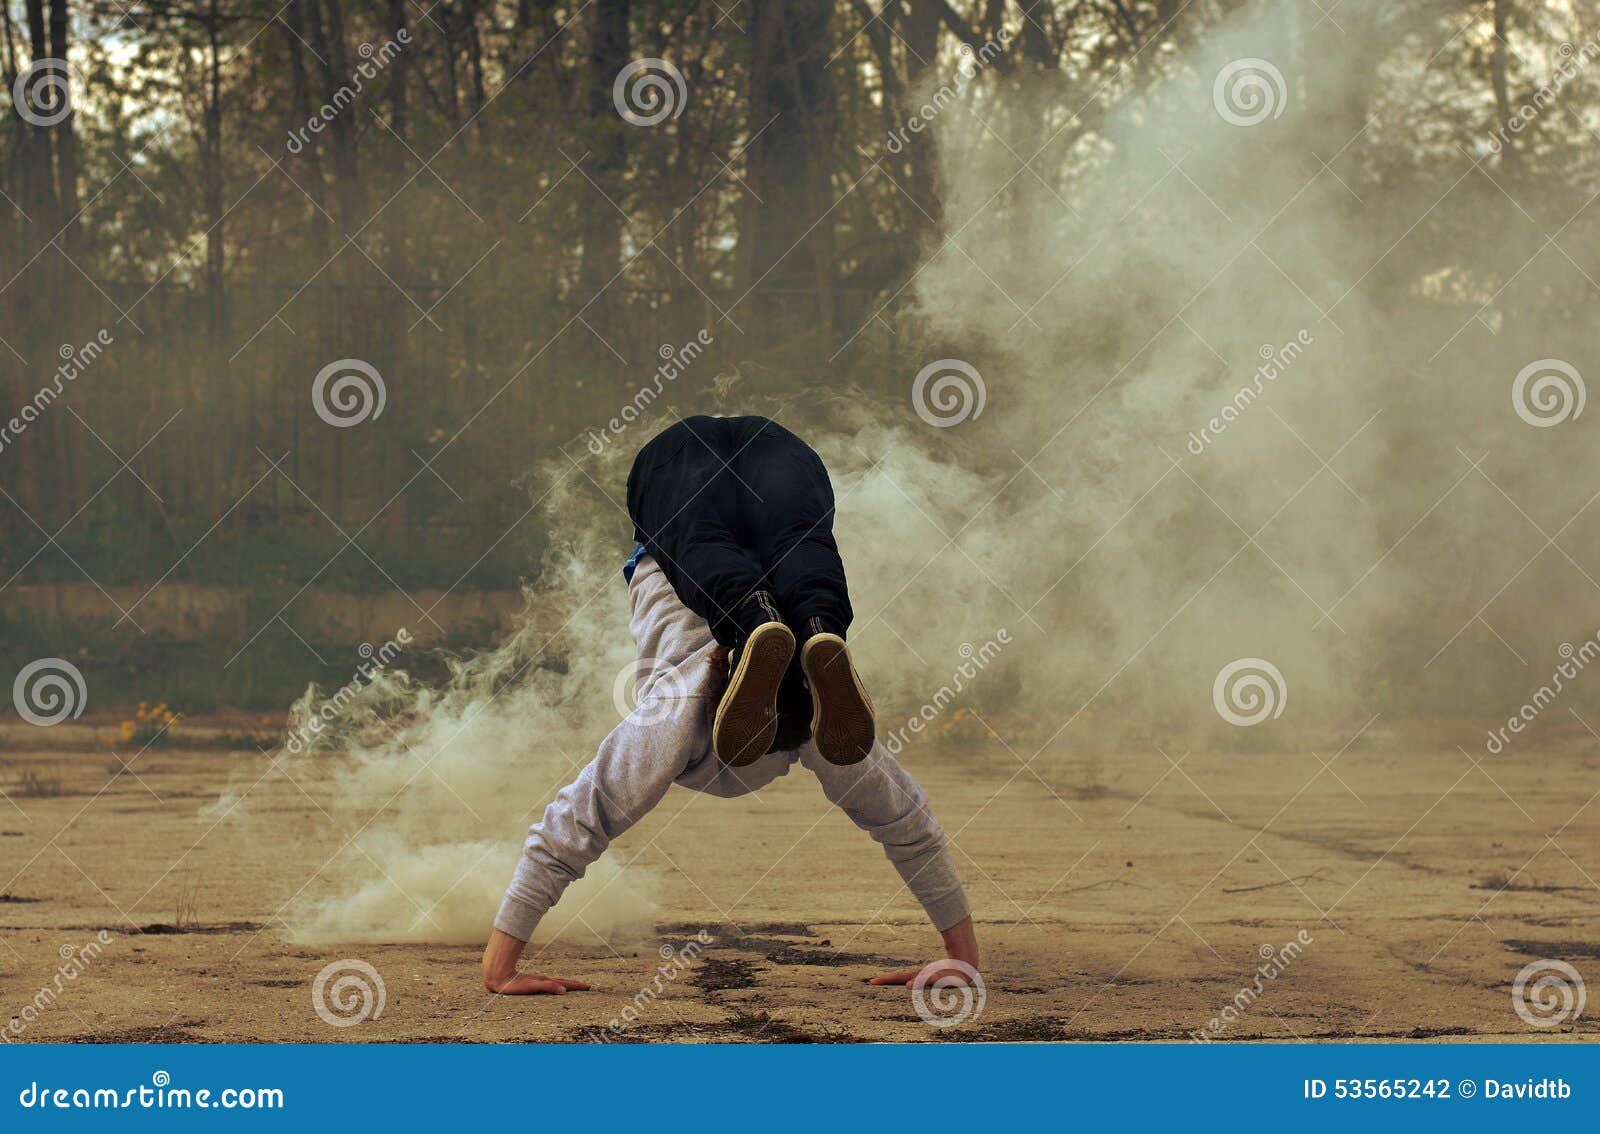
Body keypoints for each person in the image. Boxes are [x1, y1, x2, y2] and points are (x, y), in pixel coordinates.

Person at [481, 418, 979, 997]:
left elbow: (575, 822)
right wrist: (961, 959)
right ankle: (799, 621)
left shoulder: (697, 714)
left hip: (723, 457)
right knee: (757, 548)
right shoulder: (817, 728)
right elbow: (906, 824)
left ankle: (796, 621)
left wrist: (499, 969)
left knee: (783, 548)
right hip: (747, 460)